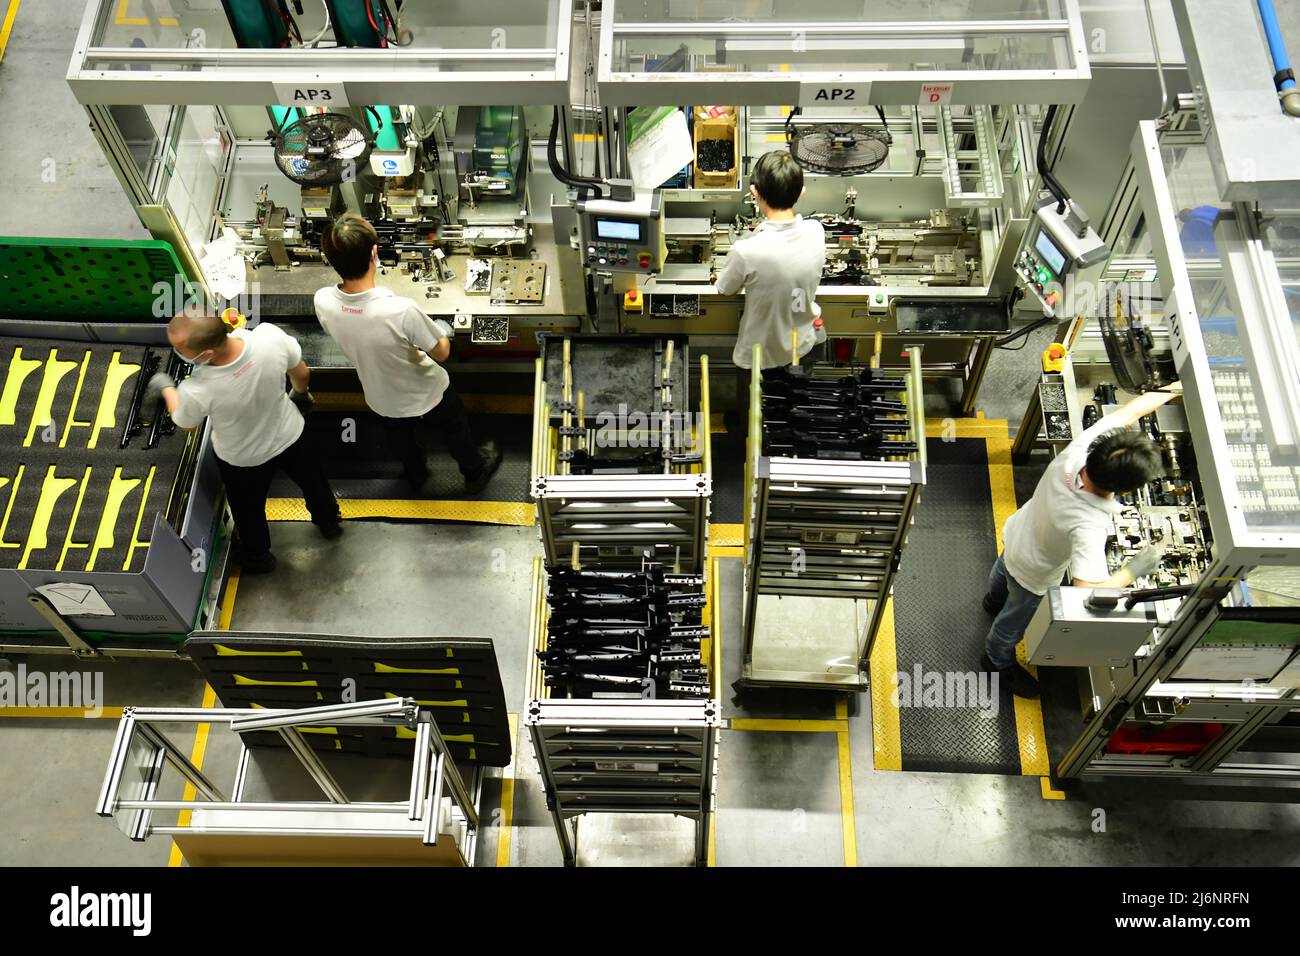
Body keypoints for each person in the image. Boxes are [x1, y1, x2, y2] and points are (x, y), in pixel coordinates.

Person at [981, 382, 1184, 698]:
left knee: (1001, 575)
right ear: (1128, 489)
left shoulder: (1082, 449)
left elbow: (1130, 411)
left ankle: (991, 600)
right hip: (1033, 576)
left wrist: (1173, 389)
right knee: (1012, 622)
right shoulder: (1088, 524)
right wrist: (1133, 571)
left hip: (1017, 535)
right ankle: (994, 660)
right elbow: (1086, 592)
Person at [313, 213, 502, 495]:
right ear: (374, 253)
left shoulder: (323, 300)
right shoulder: (400, 310)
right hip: (428, 391)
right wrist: (440, 328)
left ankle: (415, 473)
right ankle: (474, 473)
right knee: (455, 429)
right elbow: (441, 352)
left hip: (381, 397)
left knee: (400, 439)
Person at [152, 311, 341, 575]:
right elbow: (302, 372)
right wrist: (300, 395)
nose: (176, 351)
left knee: (248, 510)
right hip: (291, 435)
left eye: (178, 349)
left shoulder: (197, 389)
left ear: (206, 355)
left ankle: (258, 555)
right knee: (314, 481)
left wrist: (166, 389)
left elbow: (186, 422)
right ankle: (329, 522)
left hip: (244, 460)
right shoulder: (268, 336)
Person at [714, 150, 826, 371]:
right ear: (802, 192)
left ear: (754, 191)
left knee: (756, 404)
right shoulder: (816, 231)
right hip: (804, 345)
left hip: (762, 358)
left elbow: (725, 289)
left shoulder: (746, 250)